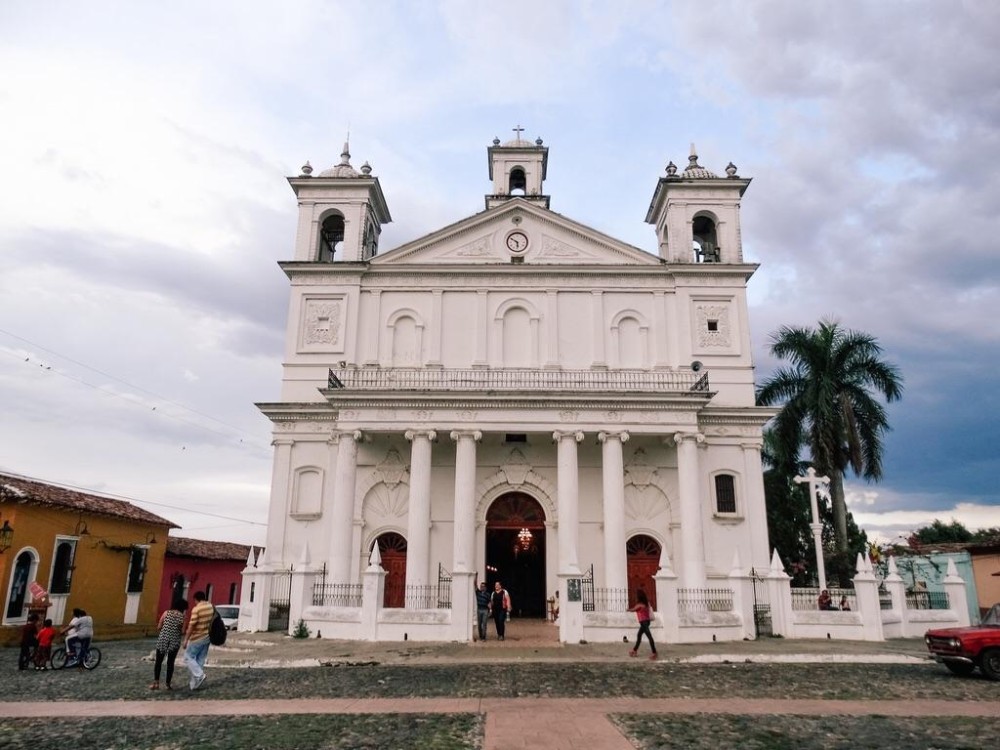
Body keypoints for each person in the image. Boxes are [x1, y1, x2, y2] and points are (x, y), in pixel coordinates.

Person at [151, 598, 187, 690]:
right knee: (170, 663)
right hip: (174, 641)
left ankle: (156, 683)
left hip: (163, 639)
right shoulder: (183, 617)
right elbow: (183, 632)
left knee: (158, 662)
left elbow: (159, 626)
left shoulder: (166, 613)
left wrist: (165, 629)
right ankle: (168, 684)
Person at [184, 591, 214, 691]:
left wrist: (186, 639)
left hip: (197, 637)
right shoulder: (211, 607)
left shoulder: (196, 609)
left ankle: (199, 675)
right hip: (207, 637)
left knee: (188, 657)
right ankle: (195, 684)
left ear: (196, 599)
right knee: (200, 659)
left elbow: (192, 625)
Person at [628, 589, 658, 661]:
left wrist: (628, 609)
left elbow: (634, 609)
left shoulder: (640, 605)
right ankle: (634, 650)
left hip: (644, 623)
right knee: (639, 635)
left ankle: (654, 652)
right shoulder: (646, 603)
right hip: (646, 622)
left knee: (649, 637)